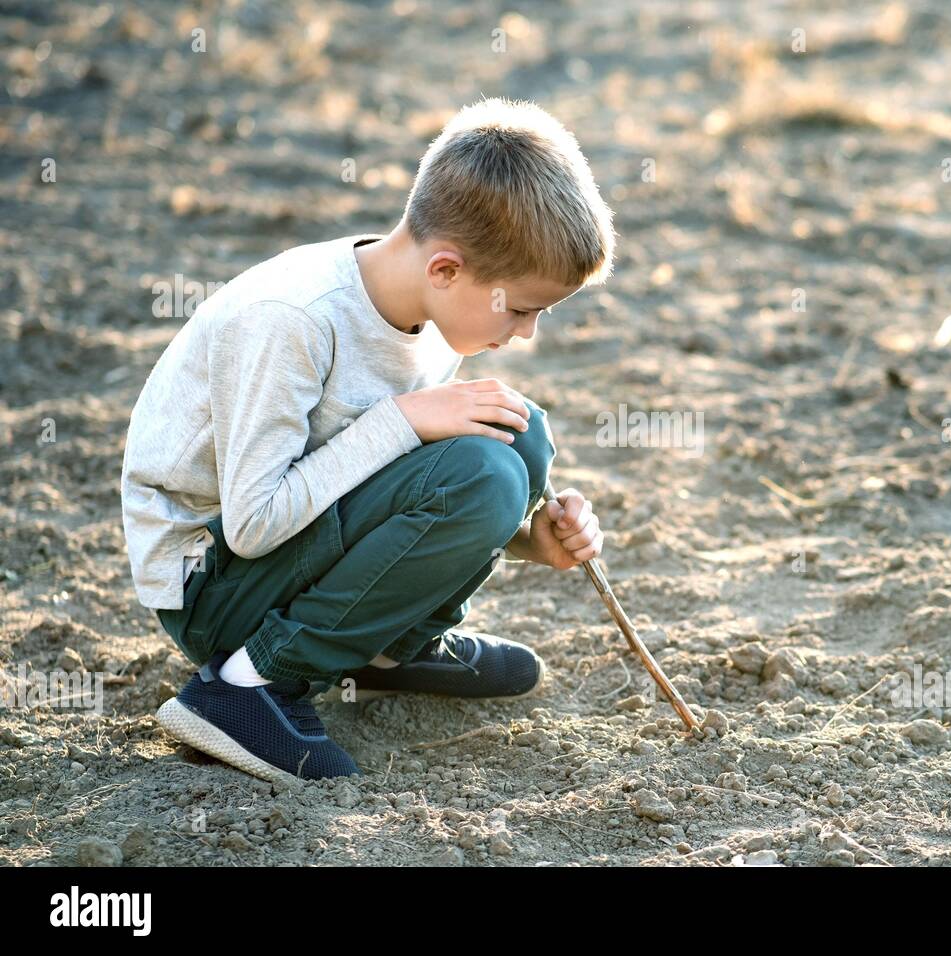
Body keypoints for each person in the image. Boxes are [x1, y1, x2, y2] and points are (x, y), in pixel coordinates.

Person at [120, 98, 615, 782]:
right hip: (214, 585)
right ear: (446, 269)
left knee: (518, 438)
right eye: (523, 307)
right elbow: (255, 523)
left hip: (289, 555)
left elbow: (402, 490)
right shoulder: (291, 320)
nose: (528, 331)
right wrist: (406, 420)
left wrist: (534, 542)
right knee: (484, 472)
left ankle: (389, 650)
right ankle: (246, 687)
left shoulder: (430, 313)